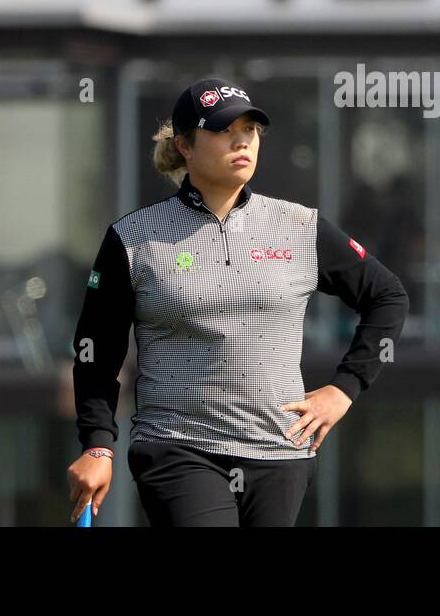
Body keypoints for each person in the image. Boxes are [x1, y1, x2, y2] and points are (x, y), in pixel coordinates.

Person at [67, 78, 410, 526]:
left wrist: (343, 389)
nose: (242, 140)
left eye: (249, 129)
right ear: (186, 145)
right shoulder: (133, 238)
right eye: (224, 130)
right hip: (178, 447)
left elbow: (387, 296)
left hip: (280, 453)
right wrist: (97, 443)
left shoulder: (300, 226)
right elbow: (96, 350)